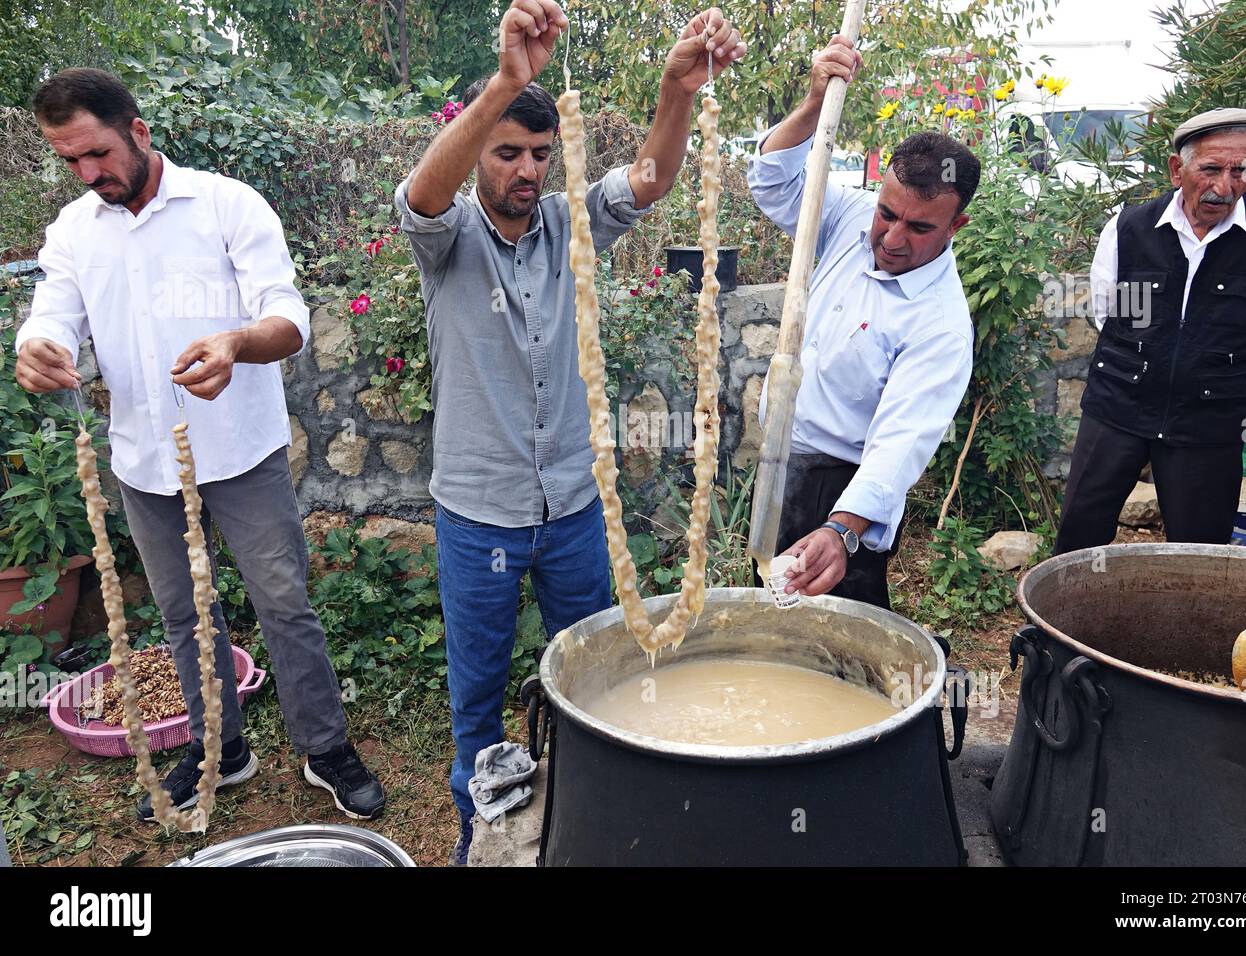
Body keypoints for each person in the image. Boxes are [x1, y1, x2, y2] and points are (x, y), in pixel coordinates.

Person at [394, 0, 745, 863]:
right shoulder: (447, 241)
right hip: (480, 514)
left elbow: (654, 179)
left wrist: (675, 86)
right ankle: (482, 835)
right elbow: (419, 195)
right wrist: (507, 83)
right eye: (507, 152)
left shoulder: (569, 225)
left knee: (593, 674)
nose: (525, 170)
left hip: (575, 513)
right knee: (477, 697)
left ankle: (592, 825)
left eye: (539, 155)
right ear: (480, 149)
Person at [14, 68, 385, 822]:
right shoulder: (75, 231)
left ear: (138, 132)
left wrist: (237, 343)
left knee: (283, 604)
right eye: (70, 162)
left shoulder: (225, 205)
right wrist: (39, 344)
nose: (89, 175)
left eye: (97, 154)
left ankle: (325, 749)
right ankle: (222, 748)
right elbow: (53, 309)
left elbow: (287, 316)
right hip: (143, 465)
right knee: (182, 615)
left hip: (241, 455)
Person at [747, 34, 980, 607]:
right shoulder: (851, 215)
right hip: (781, 456)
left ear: (957, 227)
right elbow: (771, 183)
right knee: (766, 609)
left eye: (919, 228)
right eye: (888, 214)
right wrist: (812, 100)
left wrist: (841, 529)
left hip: (847, 483)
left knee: (839, 633)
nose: (892, 239)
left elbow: (898, 445)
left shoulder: (941, 325)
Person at [1054, 108, 1246, 554]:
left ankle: (1187, 625)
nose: (1224, 187)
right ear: (1176, 169)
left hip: (1210, 416)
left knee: (1199, 548)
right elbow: (1107, 313)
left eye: (1240, 170)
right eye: (1209, 169)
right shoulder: (1129, 228)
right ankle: (1050, 625)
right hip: (1119, 404)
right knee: (1081, 530)